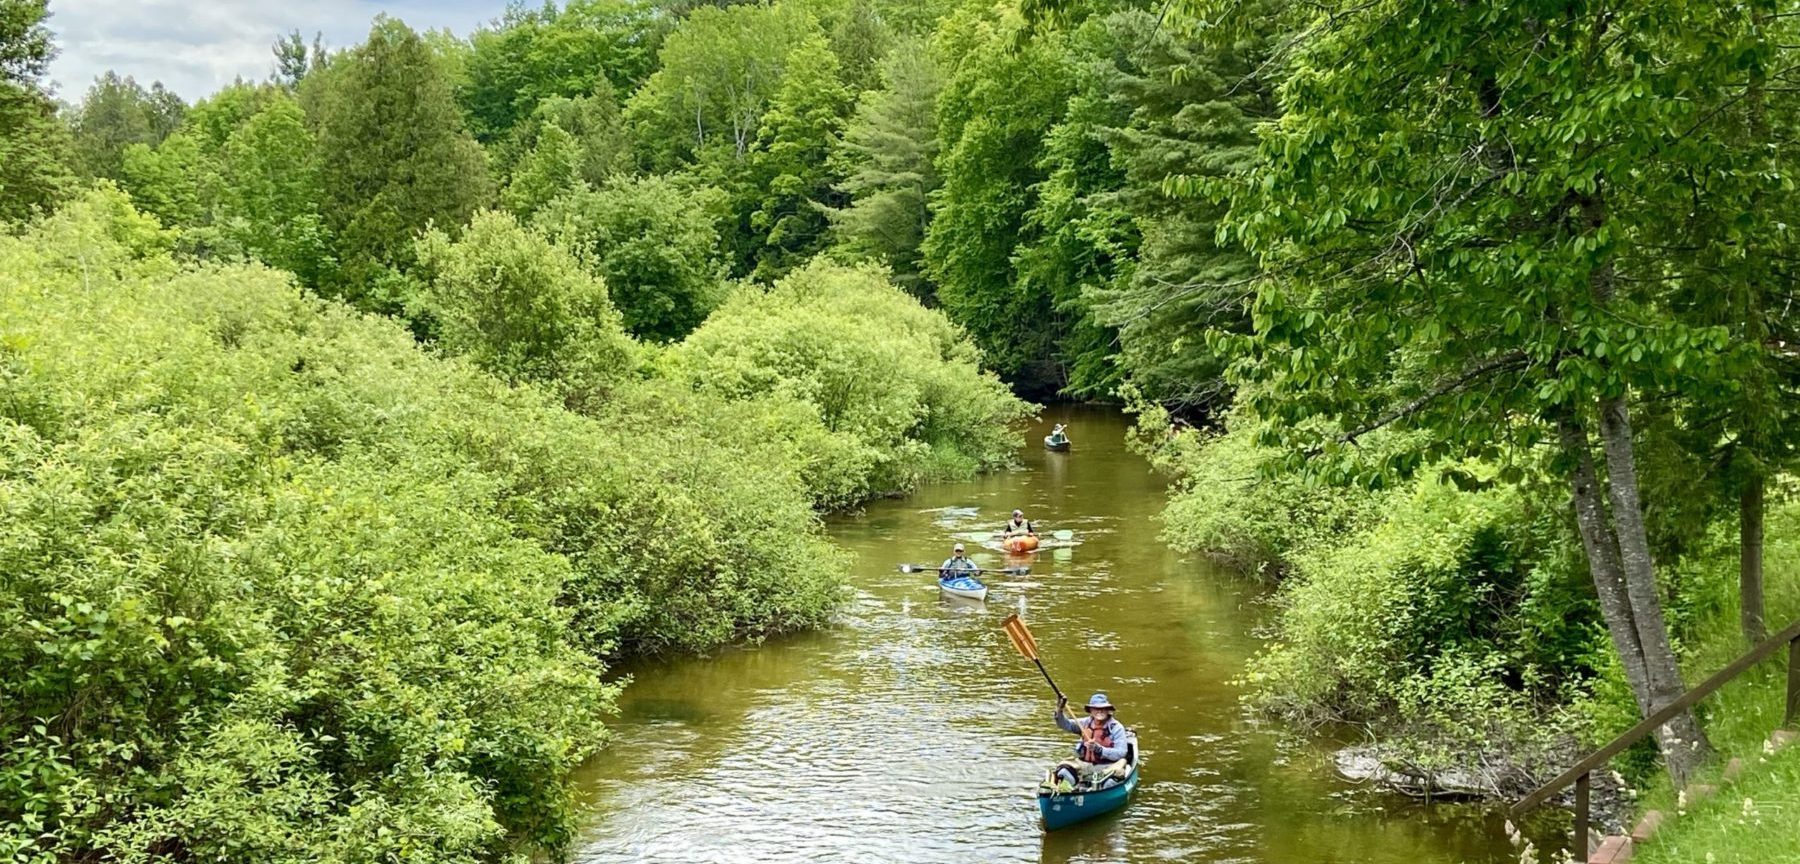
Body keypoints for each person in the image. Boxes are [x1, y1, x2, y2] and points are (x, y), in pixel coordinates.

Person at [1047, 693, 1131, 789]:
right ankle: (1074, 790)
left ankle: (1102, 792)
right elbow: (1065, 725)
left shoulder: (1116, 727)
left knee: (1111, 782)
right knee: (1063, 771)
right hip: (1084, 765)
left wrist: (1099, 749)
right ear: (1091, 711)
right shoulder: (1085, 722)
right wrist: (1059, 709)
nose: (1099, 711)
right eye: (1096, 708)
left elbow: (1121, 753)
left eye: (1103, 708)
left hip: (1108, 766)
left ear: (1108, 710)